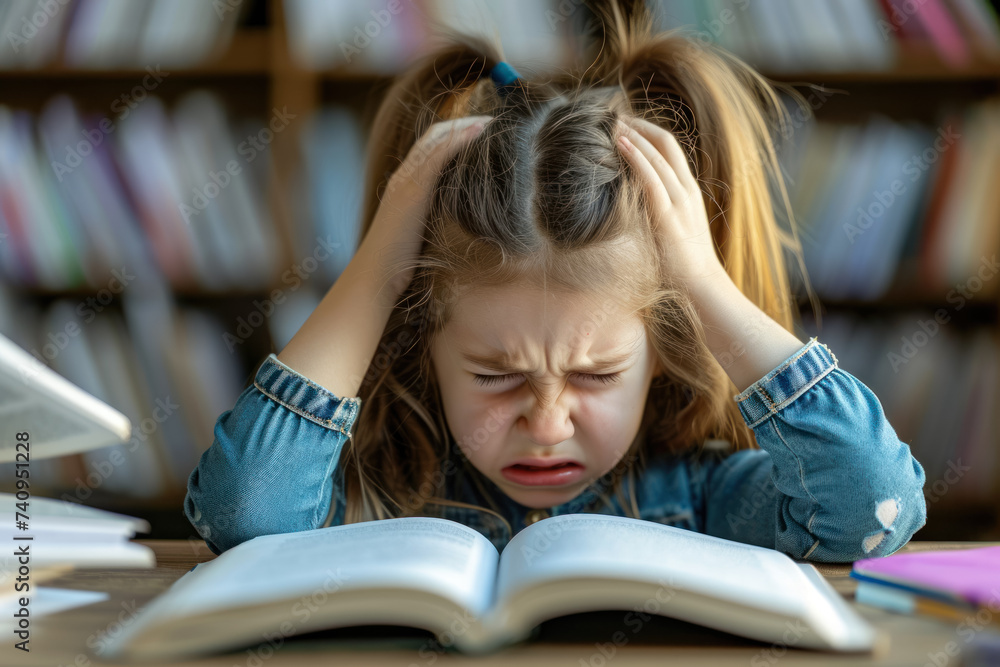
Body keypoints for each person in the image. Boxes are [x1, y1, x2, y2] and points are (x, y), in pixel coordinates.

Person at [184, 1, 926, 562]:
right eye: (495, 375)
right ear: (425, 345)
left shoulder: (705, 496)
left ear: (665, 349)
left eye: (597, 374)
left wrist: (703, 286)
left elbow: (871, 507)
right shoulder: (377, 490)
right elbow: (243, 513)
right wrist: (381, 272)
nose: (546, 425)